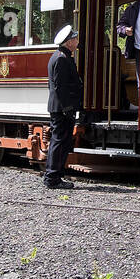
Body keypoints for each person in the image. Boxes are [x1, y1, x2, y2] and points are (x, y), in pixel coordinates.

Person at [43, 24, 81, 190]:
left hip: (61, 107)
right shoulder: (60, 59)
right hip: (62, 109)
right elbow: (60, 87)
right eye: (75, 39)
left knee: (61, 142)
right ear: (68, 42)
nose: (77, 41)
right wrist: (67, 108)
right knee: (58, 142)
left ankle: (55, 175)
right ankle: (52, 177)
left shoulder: (61, 56)